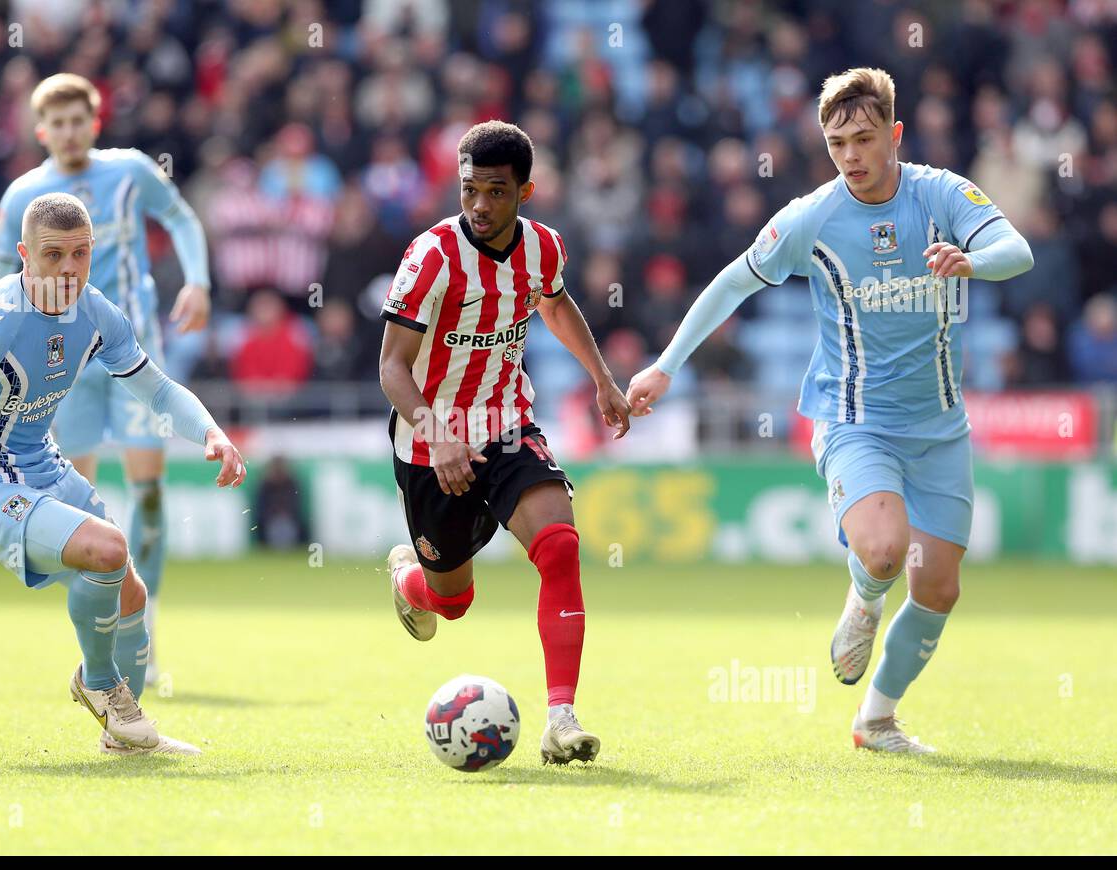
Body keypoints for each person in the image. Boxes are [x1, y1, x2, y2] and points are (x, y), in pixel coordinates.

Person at [627, 68, 1034, 753]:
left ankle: (876, 719)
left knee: (938, 589)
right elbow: (732, 282)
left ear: (895, 135)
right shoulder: (811, 216)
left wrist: (971, 261)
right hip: (856, 419)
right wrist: (666, 364)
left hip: (940, 428)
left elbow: (1016, 252)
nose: (851, 154)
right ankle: (864, 599)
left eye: (865, 138)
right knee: (880, 551)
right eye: (837, 141)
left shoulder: (941, 193)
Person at [0, 193, 245, 756]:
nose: (69, 269)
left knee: (131, 595)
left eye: (81, 253)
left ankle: (127, 737)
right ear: (24, 254)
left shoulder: (96, 312)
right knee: (108, 549)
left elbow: (159, 389)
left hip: (43, 467)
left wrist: (211, 432)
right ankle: (97, 683)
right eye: (54, 255)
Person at [378, 121, 632, 766]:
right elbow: (391, 367)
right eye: (470, 190)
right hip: (430, 444)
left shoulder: (544, 247)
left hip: (508, 424)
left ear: (526, 190)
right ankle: (413, 578)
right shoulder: (430, 256)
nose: (481, 205)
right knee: (453, 603)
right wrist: (438, 438)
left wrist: (602, 380)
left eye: (496, 190)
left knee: (560, 545)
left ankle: (561, 718)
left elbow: (554, 304)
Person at [0, 73, 211, 687]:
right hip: (58, 362)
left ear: (95, 121)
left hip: (132, 350)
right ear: (40, 131)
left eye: (78, 120)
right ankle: (100, 632)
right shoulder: (24, 196)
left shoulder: (131, 171)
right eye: (57, 123)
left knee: (150, 491)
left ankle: (148, 624)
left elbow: (183, 219)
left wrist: (198, 281)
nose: (69, 131)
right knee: (71, 504)